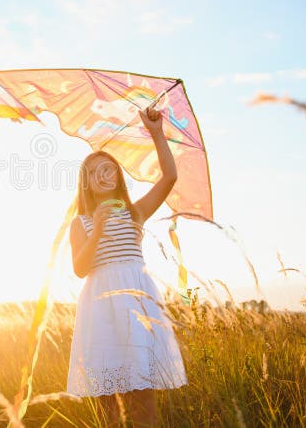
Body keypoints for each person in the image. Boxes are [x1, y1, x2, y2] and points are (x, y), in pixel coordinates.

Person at [67, 106, 186, 427]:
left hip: (137, 300)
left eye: (109, 169)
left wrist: (157, 132)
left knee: (143, 391)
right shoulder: (81, 223)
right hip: (101, 306)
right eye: (94, 172)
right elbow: (80, 268)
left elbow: (170, 177)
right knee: (109, 399)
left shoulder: (135, 213)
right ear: (87, 184)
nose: (103, 174)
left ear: (118, 177)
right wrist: (99, 230)